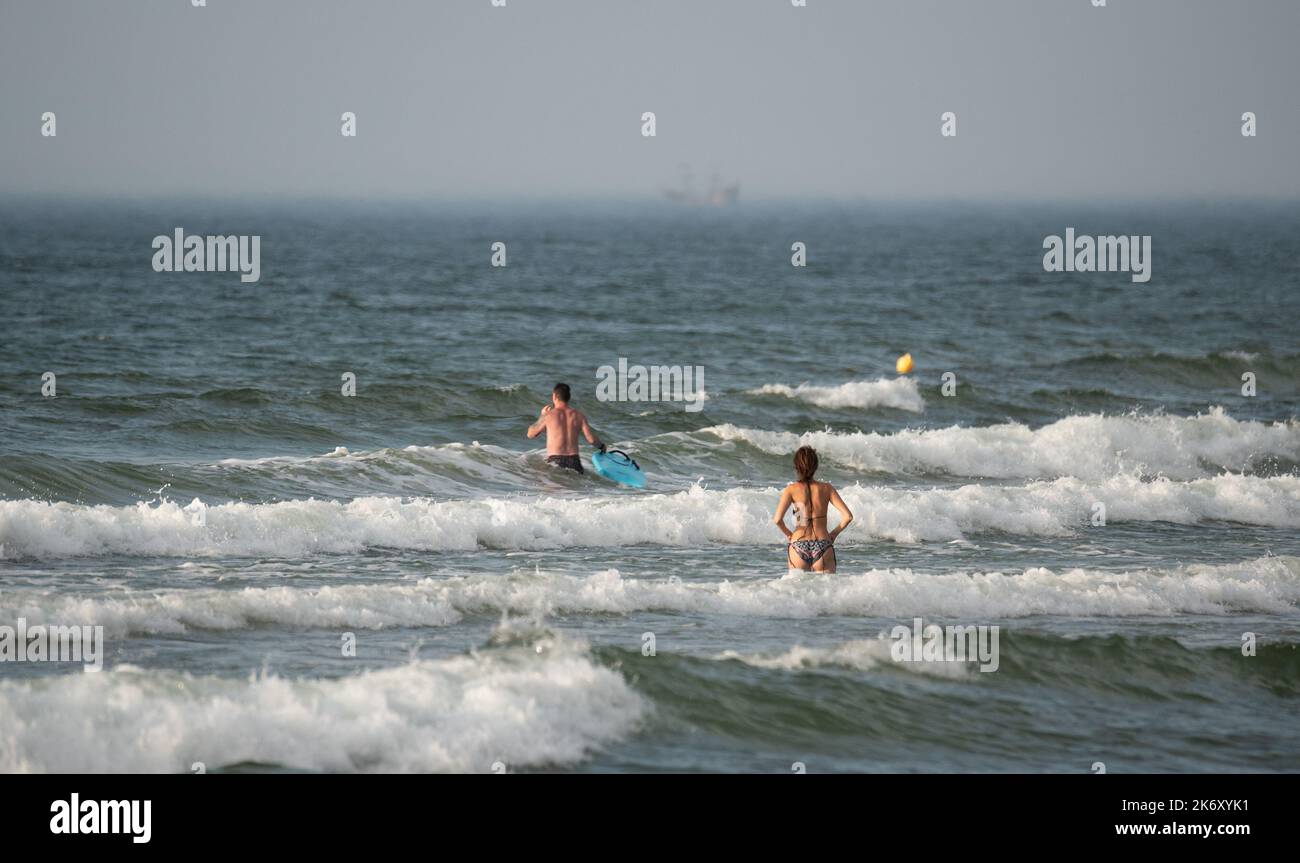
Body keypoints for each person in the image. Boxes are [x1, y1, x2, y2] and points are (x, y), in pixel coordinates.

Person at [773, 445, 853, 572]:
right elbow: (848, 517)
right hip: (823, 545)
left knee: (796, 590)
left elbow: (777, 520)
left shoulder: (791, 490)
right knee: (827, 590)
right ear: (815, 466)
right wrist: (833, 534)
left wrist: (789, 534)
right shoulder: (827, 488)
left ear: (796, 466)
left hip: (798, 544)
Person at [526, 382, 604, 473]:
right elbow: (592, 440)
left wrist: (541, 416)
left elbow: (530, 434)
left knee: (551, 486)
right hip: (574, 461)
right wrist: (602, 447)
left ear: (554, 396)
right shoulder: (579, 416)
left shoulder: (549, 415)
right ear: (568, 398)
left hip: (556, 461)